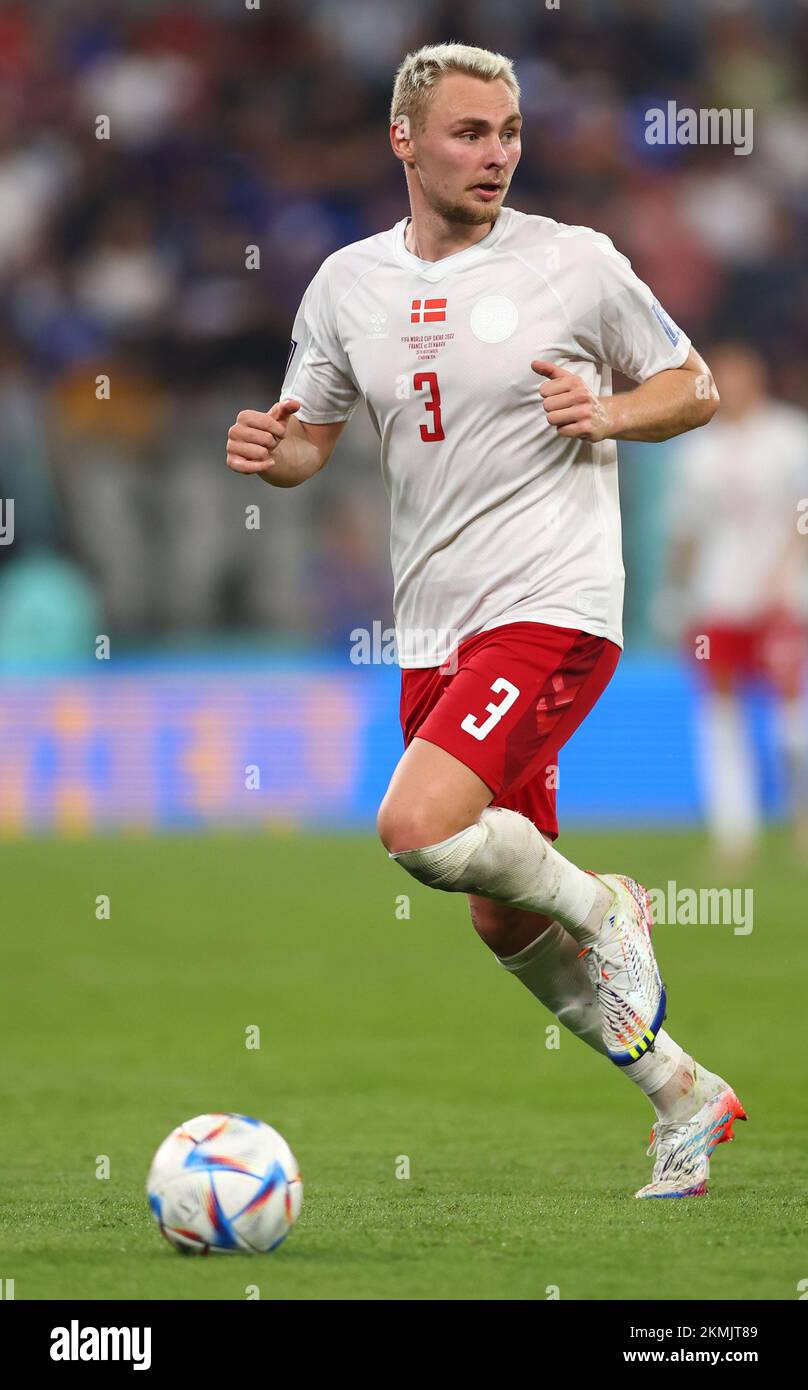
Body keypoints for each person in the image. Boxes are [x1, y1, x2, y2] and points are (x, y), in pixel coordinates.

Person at [226, 44, 745, 1197]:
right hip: (433, 624)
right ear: (404, 140)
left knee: (413, 825)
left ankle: (602, 900)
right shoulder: (347, 284)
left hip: (554, 602)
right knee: (498, 921)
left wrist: (607, 407)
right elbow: (311, 435)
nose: (496, 153)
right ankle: (680, 1094)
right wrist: (277, 455)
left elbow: (693, 384)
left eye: (507, 131)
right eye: (469, 132)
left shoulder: (575, 263)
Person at [663, 341, 808, 870]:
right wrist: (676, 596)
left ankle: (801, 820)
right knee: (720, 717)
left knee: (791, 717)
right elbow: (685, 532)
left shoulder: (790, 437)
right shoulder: (696, 450)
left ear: (760, 377)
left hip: (781, 599)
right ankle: (734, 834)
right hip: (716, 600)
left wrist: (789, 564)